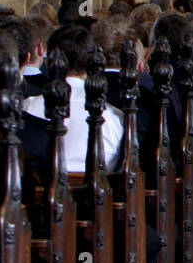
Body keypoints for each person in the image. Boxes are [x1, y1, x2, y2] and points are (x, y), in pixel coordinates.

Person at [22, 25, 124, 174]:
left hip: (38, 195)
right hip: (98, 195)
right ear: (92, 64)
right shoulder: (115, 118)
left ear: (49, 62)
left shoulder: (28, 108)